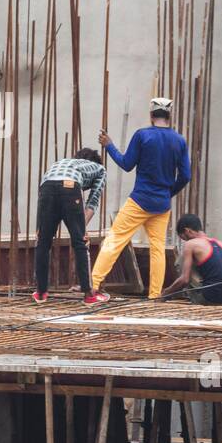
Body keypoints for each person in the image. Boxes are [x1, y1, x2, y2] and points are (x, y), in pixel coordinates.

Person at [90, 97, 192, 301]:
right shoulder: (179, 140)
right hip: (162, 205)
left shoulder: (142, 135)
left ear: (151, 115)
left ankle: (93, 285)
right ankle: (154, 295)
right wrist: (168, 192)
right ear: (169, 115)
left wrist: (109, 146)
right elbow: (186, 176)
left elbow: (126, 163)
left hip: (139, 201)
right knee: (157, 249)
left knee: (116, 239)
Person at [32, 148, 108, 304]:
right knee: (80, 243)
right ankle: (89, 295)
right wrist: (80, 228)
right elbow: (92, 202)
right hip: (70, 188)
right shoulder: (100, 169)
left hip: (46, 189)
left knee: (43, 242)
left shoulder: (60, 163)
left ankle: (40, 294)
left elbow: (45, 188)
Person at [169, 213, 222, 305]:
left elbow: (184, 280)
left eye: (184, 238)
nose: (185, 241)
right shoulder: (220, 243)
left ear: (187, 231)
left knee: (182, 260)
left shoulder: (190, 244)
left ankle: (199, 297)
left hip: (209, 298)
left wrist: (165, 293)